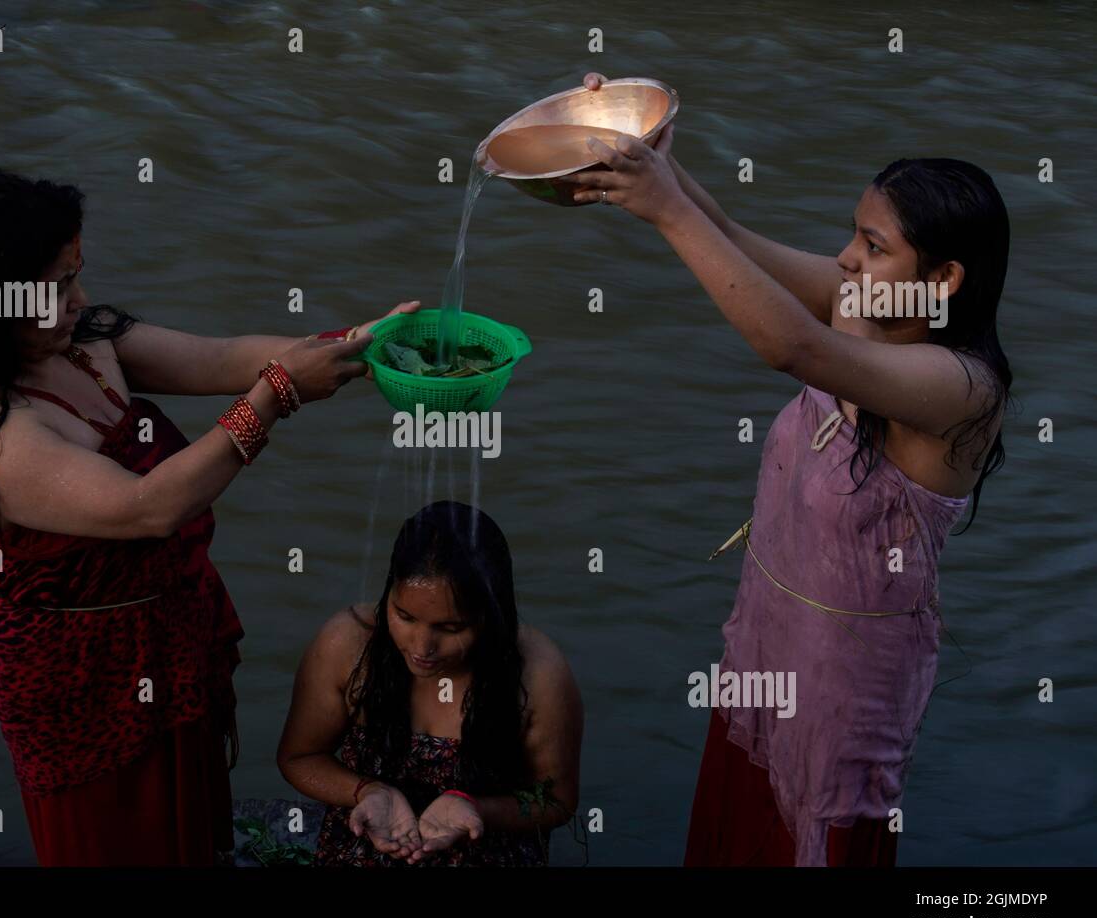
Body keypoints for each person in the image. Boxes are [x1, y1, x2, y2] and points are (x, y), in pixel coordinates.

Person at [0, 169, 420, 865]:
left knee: (190, 829)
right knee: (115, 839)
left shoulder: (89, 344)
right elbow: (150, 506)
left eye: (76, 276)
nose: (79, 299)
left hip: (166, 630)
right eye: (58, 286)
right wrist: (275, 395)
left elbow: (225, 358)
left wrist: (364, 342)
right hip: (74, 674)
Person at [570, 74, 1012, 865]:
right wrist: (655, 164)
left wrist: (666, 206)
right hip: (769, 639)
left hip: (846, 681)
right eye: (854, 234)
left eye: (874, 247)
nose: (847, 258)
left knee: (814, 834)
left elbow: (794, 350)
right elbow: (735, 239)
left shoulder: (960, 388)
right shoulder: (867, 302)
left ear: (943, 281)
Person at [277, 501, 583, 866]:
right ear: (389, 592)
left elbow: (557, 800)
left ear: (491, 614)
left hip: (488, 848)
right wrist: (367, 791)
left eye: (450, 628)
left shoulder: (537, 673)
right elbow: (300, 757)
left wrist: (477, 809)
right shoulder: (347, 645)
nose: (422, 648)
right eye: (404, 616)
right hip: (370, 838)